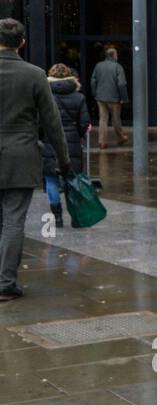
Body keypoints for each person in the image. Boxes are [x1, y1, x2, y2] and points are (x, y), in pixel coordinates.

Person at [0, 18, 72, 301]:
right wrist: (64, 161)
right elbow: (53, 123)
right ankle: (5, 282)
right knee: (13, 221)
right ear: (23, 43)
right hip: (21, 155)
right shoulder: (34, 74)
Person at [40, 63, 90, 229]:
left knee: (51, 179)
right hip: (72, 142)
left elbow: (38, 121)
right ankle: (75, 217)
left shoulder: (44, 95)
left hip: (50, 141)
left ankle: (57, 218)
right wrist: (80, 134)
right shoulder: (78, 97)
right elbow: (84, 122)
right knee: (72, 179)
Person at [90, 46, 128, 148]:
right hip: (114, 98)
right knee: (116, 119)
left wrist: (95, 94)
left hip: (100, 98)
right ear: (114, 55)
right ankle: (120, 137)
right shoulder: (117, 67)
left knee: (103, 120)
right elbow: (122, 84)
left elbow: (93, 81)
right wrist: (124, 98)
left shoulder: (98, 66)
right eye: (116, 55)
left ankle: (102, 142)